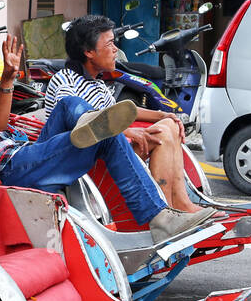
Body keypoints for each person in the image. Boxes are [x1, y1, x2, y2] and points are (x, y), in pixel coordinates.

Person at [0, 31, 217, 245]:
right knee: (106, 135)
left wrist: (8, 78)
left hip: (21, 151)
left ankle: (88, 125)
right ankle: (156, 217)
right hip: (9, 169)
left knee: (69, 104)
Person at [46, 15, 202, 213]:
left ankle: (180, 202)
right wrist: (127, 133)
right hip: (82, 156)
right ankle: (165, 210)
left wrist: (163, 115)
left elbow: (122, 112)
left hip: (105, 147)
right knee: (161, 135)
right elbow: (79, 122)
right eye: (110, 44)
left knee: (169, 125)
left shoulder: (97, 82)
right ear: (88, 52)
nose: (115, 51)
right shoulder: (66, 81)